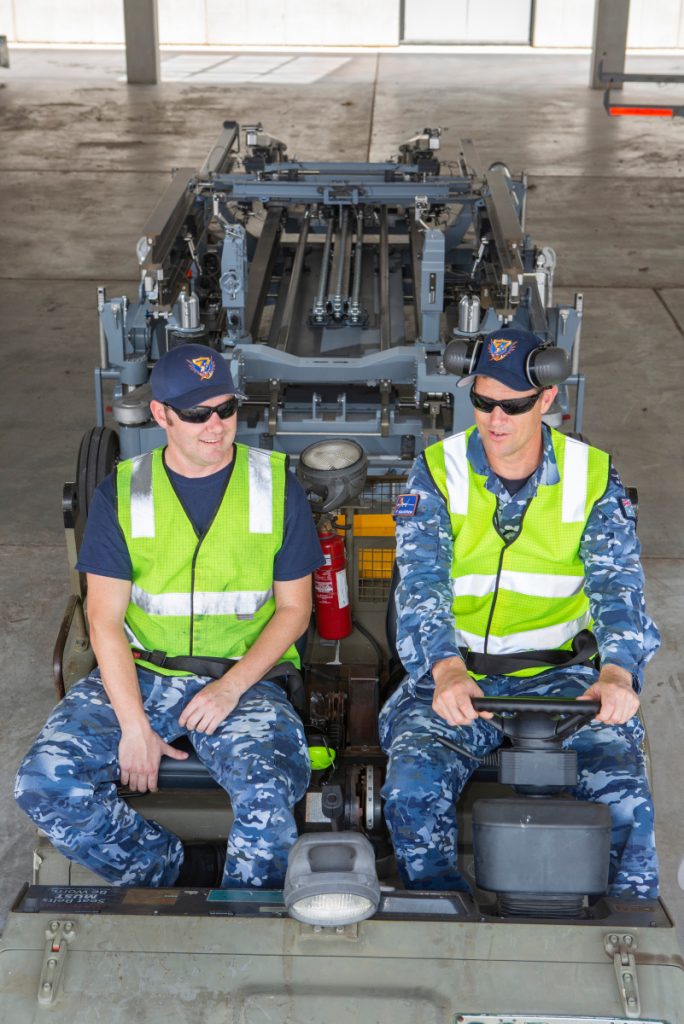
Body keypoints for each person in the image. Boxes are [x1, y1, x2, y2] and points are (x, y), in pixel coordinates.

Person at [16, 343, 324, 888]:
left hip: (244, 681)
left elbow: (295, 611)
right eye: (196, 414)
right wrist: (133, 724)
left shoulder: (277, 487)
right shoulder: (124, 492)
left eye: (226, 409)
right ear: (160, 415)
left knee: (269, 791)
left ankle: (243, 917)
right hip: (142, 673)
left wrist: (230, 688)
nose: (216, 426)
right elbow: (104, 619)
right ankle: (174, 870)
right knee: (44, 784)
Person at [380, 327, 660, 899]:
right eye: (482, 402)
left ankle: (625, 932)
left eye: (513, 405)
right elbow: (421, 585)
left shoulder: (591, 476)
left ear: (547, 400)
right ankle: (443, 915)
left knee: (627, 799)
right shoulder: (437, 473)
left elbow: (618, 587)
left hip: (564, 683)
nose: (495, 419)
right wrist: (444, 669)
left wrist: (617, 672)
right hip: (462, 678)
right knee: (410, 789)